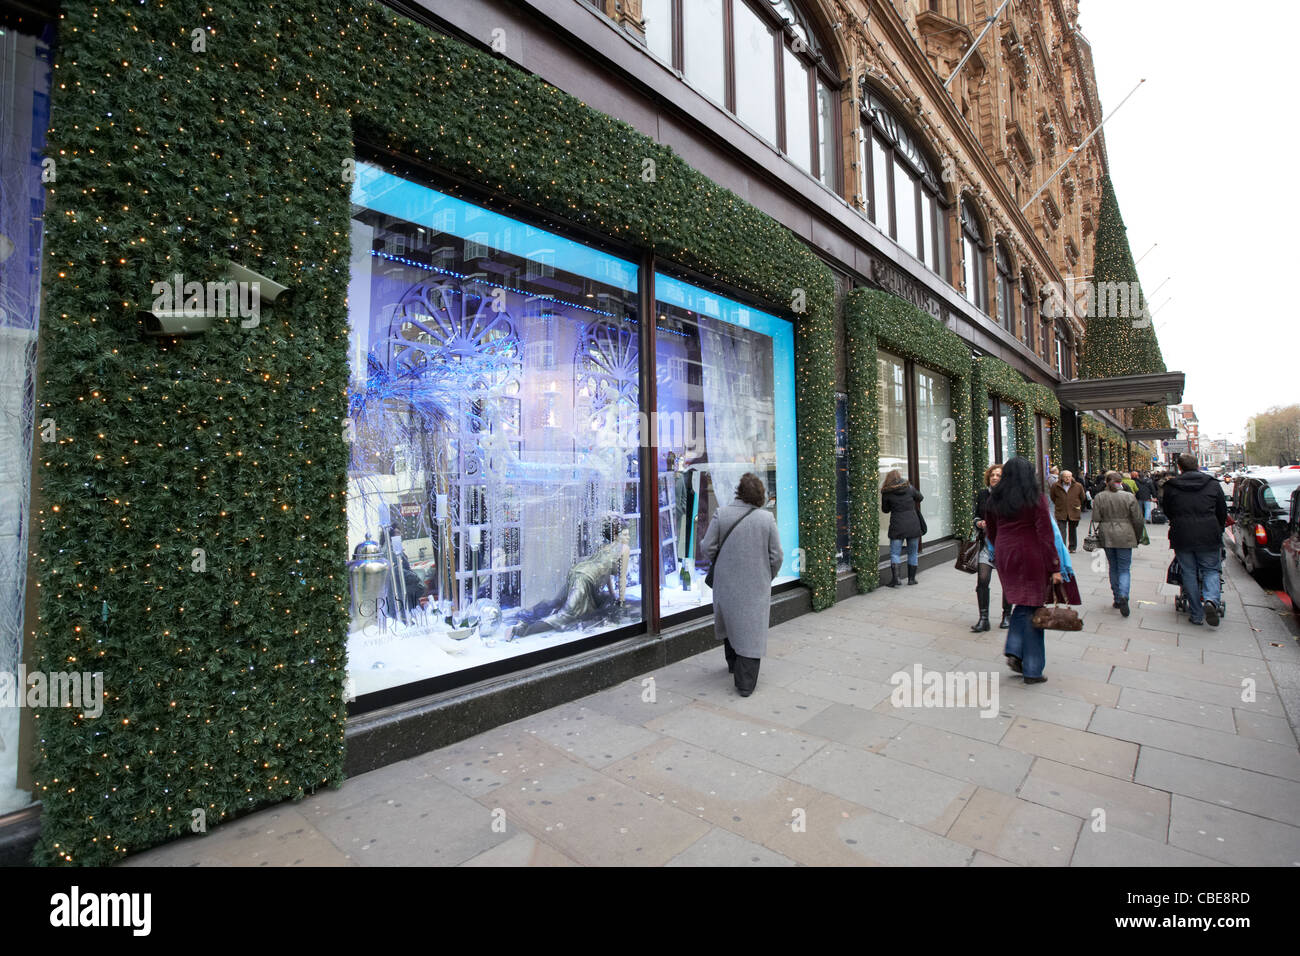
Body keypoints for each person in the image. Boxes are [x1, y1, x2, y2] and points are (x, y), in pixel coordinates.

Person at [699, 472, 784, 697]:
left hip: (726, 583)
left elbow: (707, 547)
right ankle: (745, 684)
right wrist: (768, 576)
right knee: (751, 630)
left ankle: (732, 664)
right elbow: (777, 556)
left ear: (739, 491)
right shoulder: (766, 519)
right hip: (756, 585)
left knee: (731, 622)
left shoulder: (722, 514)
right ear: (759, 495)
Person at [985, 457, 1063, 684]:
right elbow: (1046, 534)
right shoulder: (1035, 499)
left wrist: (1002, 546)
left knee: (1022, 602)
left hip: (1005, 553)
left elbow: (991, 532)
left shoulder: (994, 498)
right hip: (1031, 554)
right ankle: (1032, 668)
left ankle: (1015, 649)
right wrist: (1055, 566)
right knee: (1034, 607)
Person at [510, 514, 630, 638]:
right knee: (566, 615)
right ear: (615, 535)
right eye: (625, 535)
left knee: (557, 604)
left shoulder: (604, 546)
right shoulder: (624, 548)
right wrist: (621, 601)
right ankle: (522, 630)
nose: (628, 537)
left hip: (577, 572)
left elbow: (606, 573)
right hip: (585, 579)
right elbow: (622, 577)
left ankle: (525, 622)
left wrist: (612, 594)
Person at [1162, 453, 1227, 627]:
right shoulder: (1213, 485)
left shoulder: (1171, 486)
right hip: (1208, 534)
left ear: (1180, 468)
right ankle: (1211, 600)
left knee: (1189, 573)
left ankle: (1197, 614)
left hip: (1182, 535)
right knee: (1211, 570)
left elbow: (1167, 510)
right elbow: (1222, 511)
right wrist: (1218, 528)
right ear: (1197, 465)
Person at [1092, 470, 1145, 617]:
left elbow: (1096, 517)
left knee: (1113, 567)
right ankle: (1123, 595)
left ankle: (1117, 597)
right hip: (1126, 533)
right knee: (1124, 568)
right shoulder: (1129, 497)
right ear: (1120, 482)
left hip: (1107, 534)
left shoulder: (1100, 497)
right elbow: (1138, 520)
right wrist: (1138, 536)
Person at [971, 463, 1012, 632]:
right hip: (987, 545)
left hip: (1005, 546)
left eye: (999, 475)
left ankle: (1007, 615)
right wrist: (979, 523)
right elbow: (975, 516)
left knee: (1007, 582)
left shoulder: (1010, 496)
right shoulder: (982, 494)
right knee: (982, 580)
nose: (994, 478)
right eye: (992, 475)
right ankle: (984, 618)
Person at [881, 469, 923, 587]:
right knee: (913, 552)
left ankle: (896, 579)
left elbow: (885, 510)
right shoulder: (909, 488)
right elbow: (920, 497)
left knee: (895, 553)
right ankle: (911, 579)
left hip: (897, 525)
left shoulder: (887, 492)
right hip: (913, 524)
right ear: (900, 477)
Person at [1050, 469, 1086, 552]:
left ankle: (1072, 547)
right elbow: (1053, 497)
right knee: (1062, 530)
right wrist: (1059, 503)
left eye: (1069, 477)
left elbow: (1082, 497)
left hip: (1073, 510)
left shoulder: (1078, 486)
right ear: (1061, 477)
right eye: (1065, 477)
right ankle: (1063, 548)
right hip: (1061, 511)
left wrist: (1076, 504)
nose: (1067, 478)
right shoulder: (1056, 486)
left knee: (1072, 530)